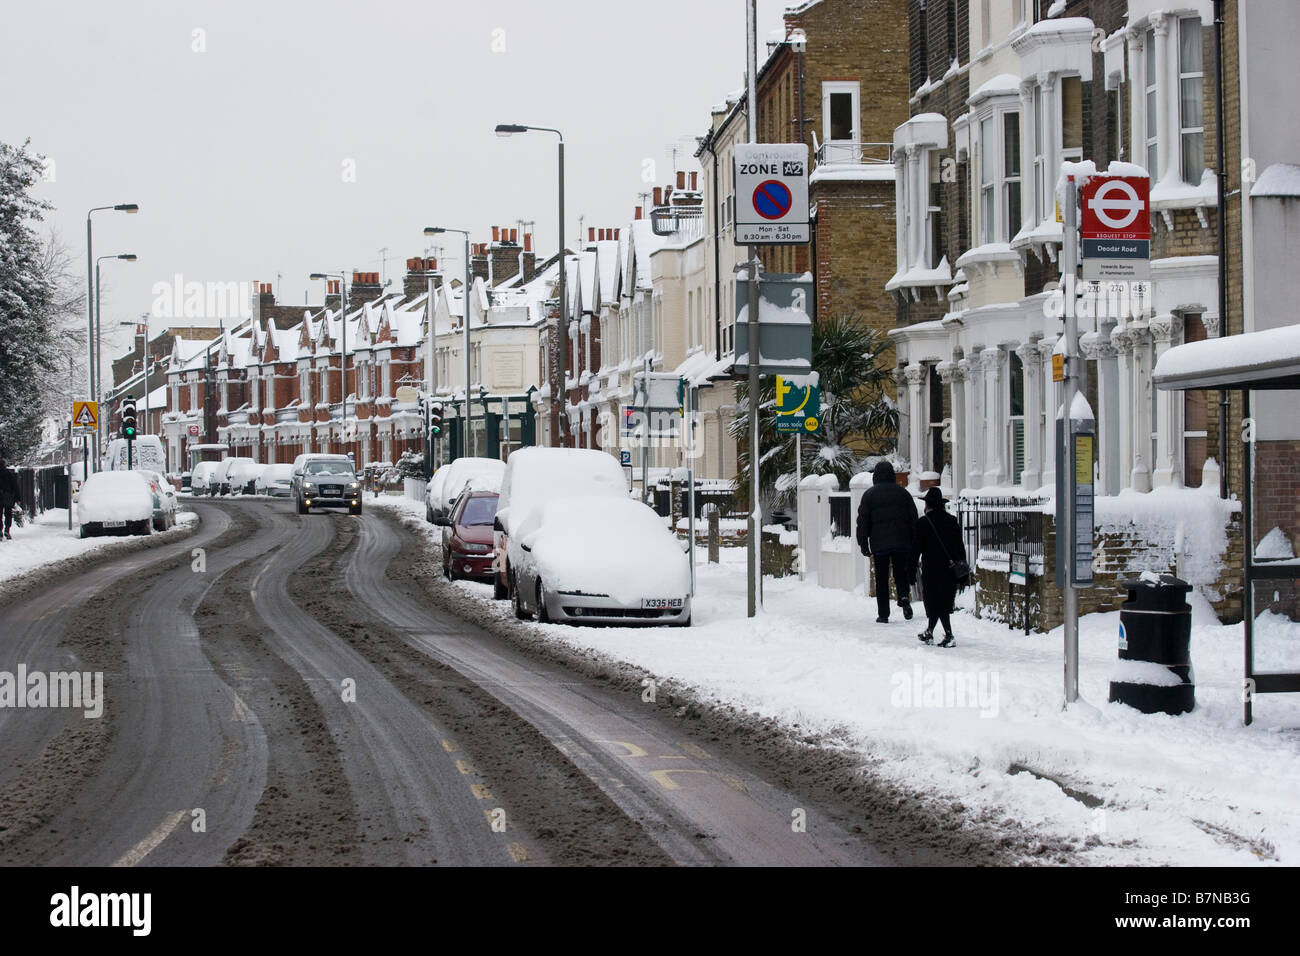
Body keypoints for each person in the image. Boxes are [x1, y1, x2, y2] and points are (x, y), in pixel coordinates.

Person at [855, 459, 917, 624]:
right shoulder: (903, 493)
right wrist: (913, 541)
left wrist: (863, 543)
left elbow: (863, 522)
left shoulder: (869, 495)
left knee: (881, 578)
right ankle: (903, 597)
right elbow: (913, 519)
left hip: (879, 544)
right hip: (902, 543)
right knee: (900, 573)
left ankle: (883, 614)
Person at [910, 486, 969, 647]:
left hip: (931, 570)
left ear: (928, 505)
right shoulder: (951, 521)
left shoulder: (923, 523)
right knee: (942, 602)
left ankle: (949, 635)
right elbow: (959, 547)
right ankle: (929, 632)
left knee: (935, 603)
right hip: (949, 570)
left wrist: (910, 570)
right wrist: (962, 568)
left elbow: (916, 549)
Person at [0, 459, 19, 541]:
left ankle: (0, 531)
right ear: (5, 465)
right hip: (8, 496)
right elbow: (15, 486)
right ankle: (7, 529)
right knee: (8, 514)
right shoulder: (9, 474)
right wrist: (18, 498)